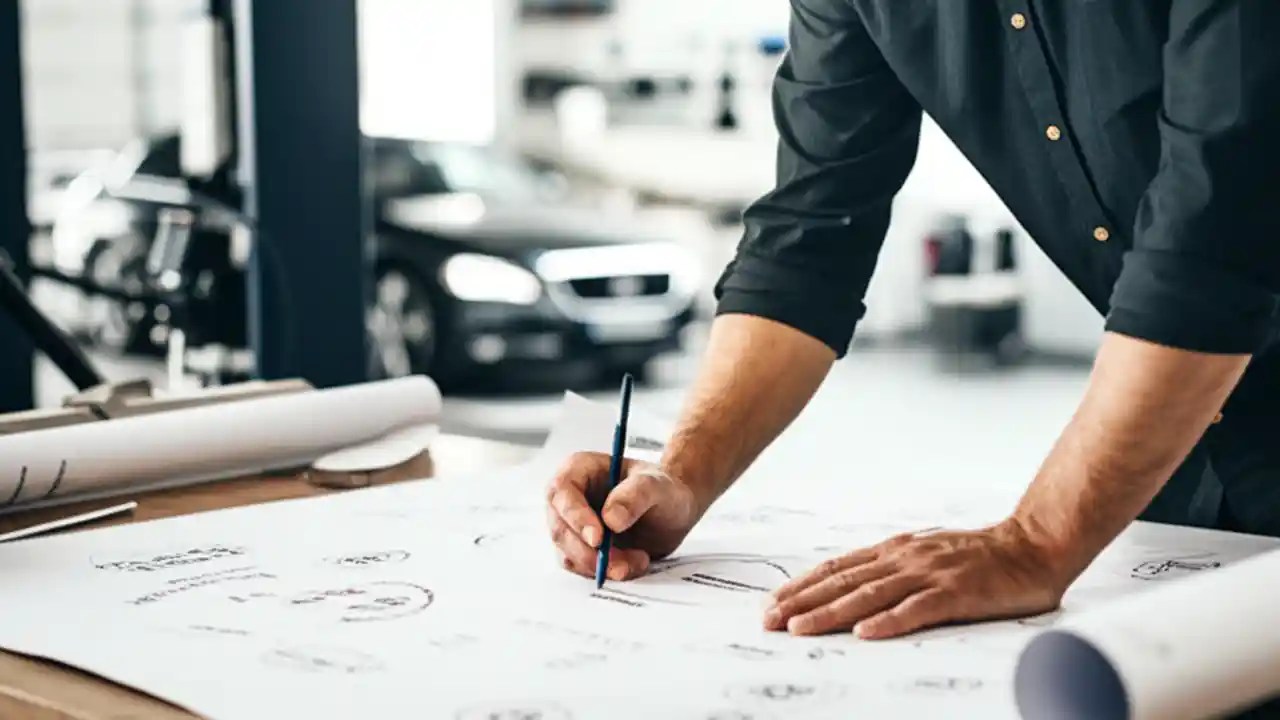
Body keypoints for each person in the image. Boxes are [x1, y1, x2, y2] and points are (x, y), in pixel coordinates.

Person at [544, 1, 1280, 639]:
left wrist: (1038, 541)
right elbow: (808, 240)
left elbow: (1215, 226)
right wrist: (682, 475)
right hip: (1186, 443)